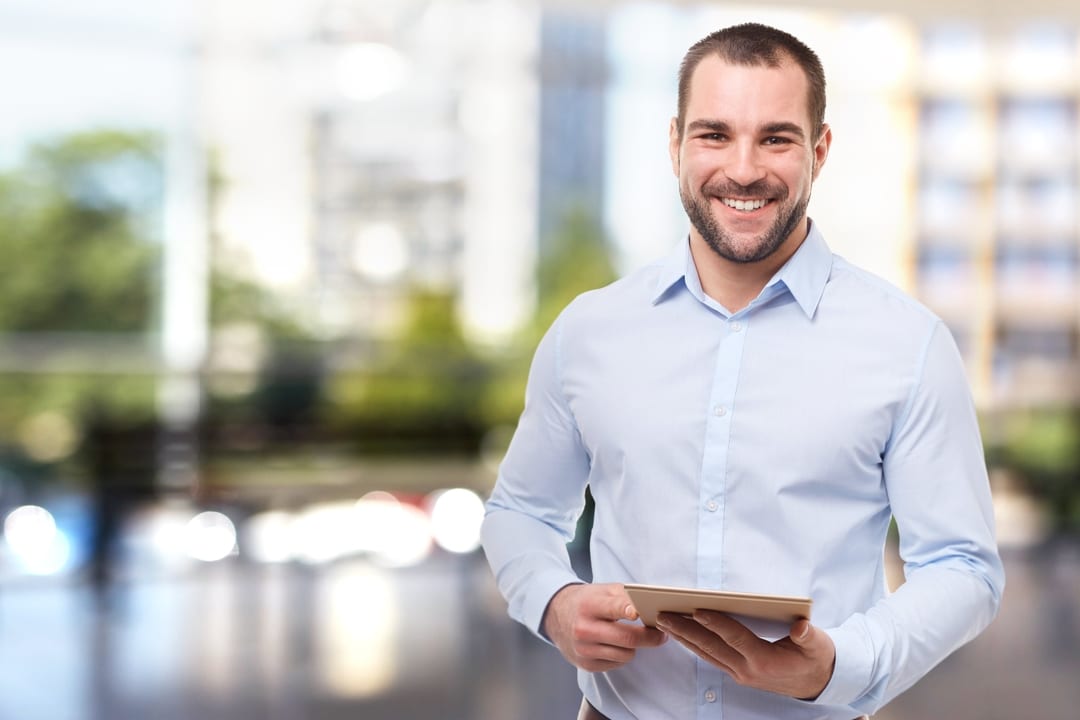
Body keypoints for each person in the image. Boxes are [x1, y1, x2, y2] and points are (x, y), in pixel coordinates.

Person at [481, 22, 1004, 720]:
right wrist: (554, 602)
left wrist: (843, 664)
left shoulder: (908, 345)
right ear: (675, 145)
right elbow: (519, 511)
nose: (745, 168)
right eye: (715, 134)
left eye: (776, 138)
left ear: (819, 150)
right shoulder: (589, 331)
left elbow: (963, 568)